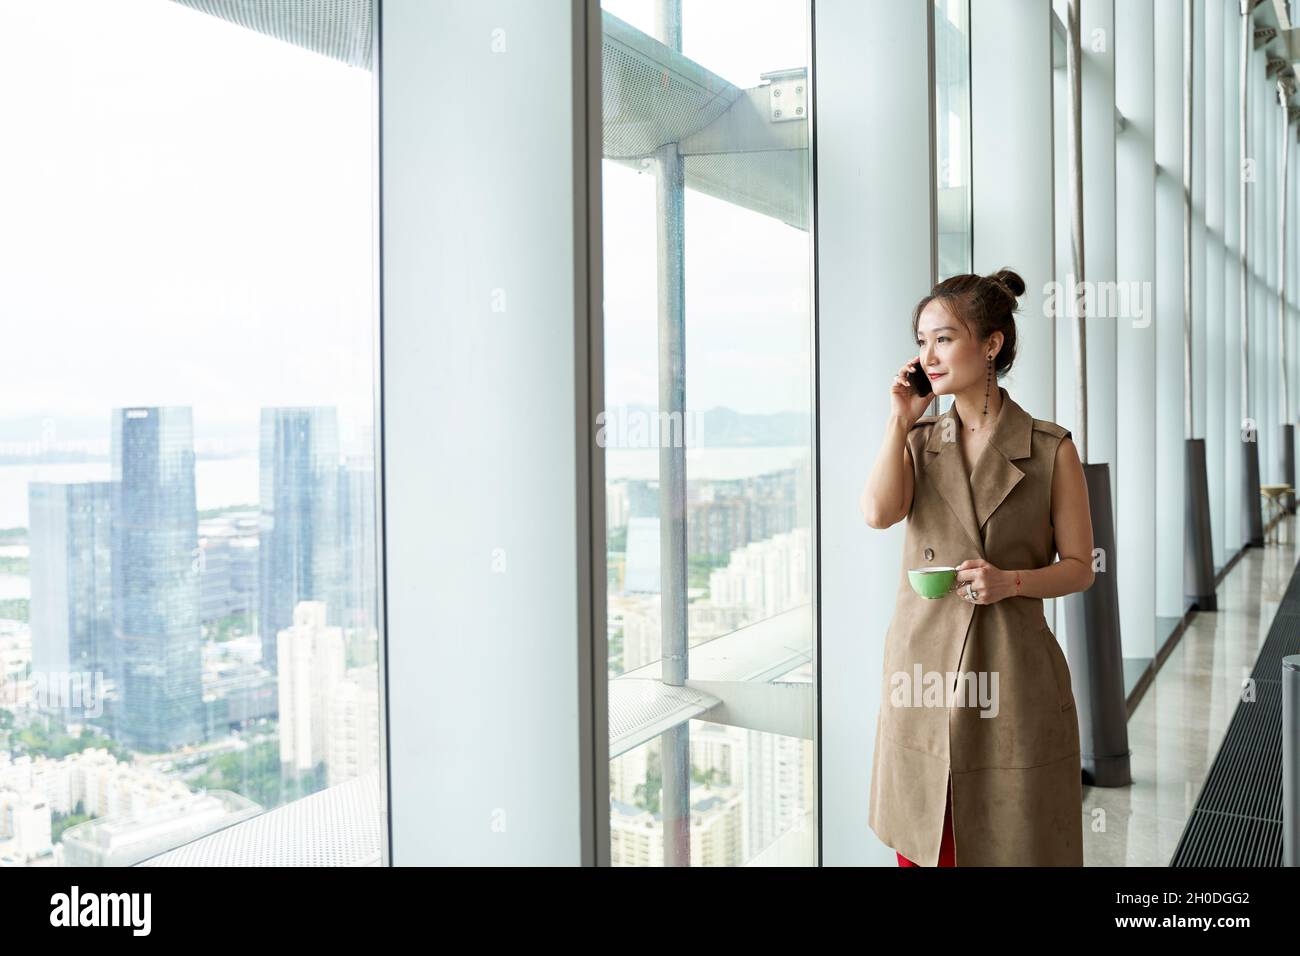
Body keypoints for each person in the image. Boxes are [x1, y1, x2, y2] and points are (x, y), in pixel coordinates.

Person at [860, 268, 1094, 866]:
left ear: (991, 344)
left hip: (1010, 669)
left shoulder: (1050, 448)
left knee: (1013, 840)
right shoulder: (919, 439)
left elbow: (1079, 567)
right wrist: (899, 418)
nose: (927, 355)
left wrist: (1009, 581)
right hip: (923, 669)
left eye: (943, 338)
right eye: (921, 341)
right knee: (927, 842)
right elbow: (879, 513)